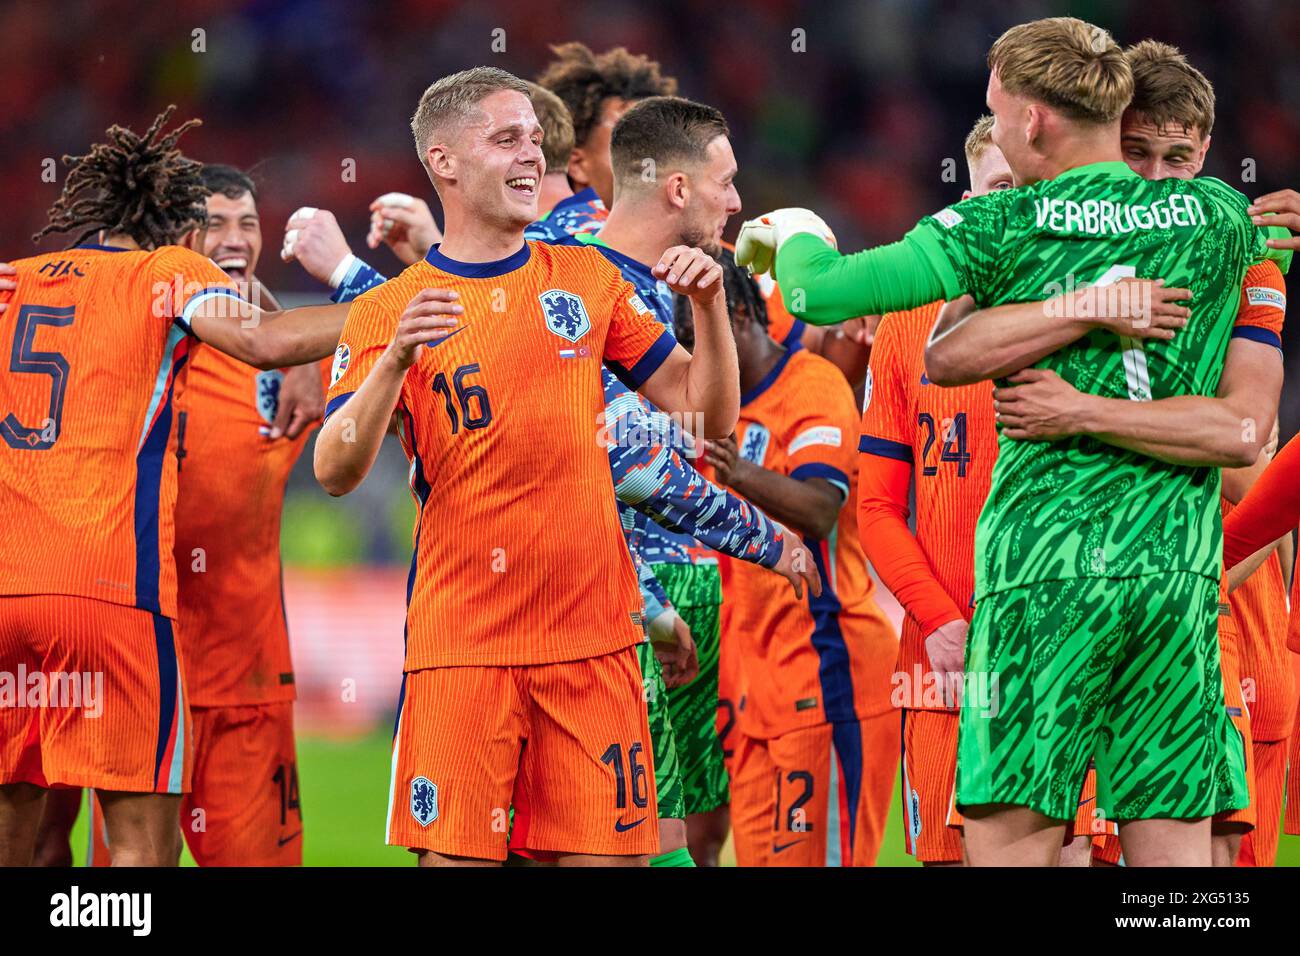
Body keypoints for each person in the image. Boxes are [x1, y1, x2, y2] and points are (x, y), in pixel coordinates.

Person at [737, 16, 1287, 866]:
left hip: (1045, 576)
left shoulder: (1003, 225)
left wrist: (797, 223)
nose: (991, 126)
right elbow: (1248, 429)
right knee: (1179, 870)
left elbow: (817, 293)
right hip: (1174, 585)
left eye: (995, 110)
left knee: (1012, 847)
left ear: (1031, 121)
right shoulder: (1221, 219)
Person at [314, 66, 743, 866]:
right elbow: (334, 469)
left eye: (537, 142)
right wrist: (394, 361)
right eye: (506, 138)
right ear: (443, 161)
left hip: (594, 641)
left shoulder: (588, 278)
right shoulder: (388, 311)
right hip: (464, 646)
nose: (532, 157)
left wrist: (712, 312)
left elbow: (703, 416)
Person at [0, 107, 351, 866]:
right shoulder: (166, 278)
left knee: (19, 835)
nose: (226, 241)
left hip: (11, 597)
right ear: (174, 230)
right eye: (208, 224)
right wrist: (397, 301)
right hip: (113, 598)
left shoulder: (10, 283)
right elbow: (262, 340)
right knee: (138, 849)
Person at [692, 252, 899, 865]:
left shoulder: (812, 387)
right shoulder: (716, 411)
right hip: (755, 695)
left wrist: (739, 472)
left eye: (695, 341)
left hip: (829, 677)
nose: (689, 363)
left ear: (734, 316)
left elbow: (817, 510)